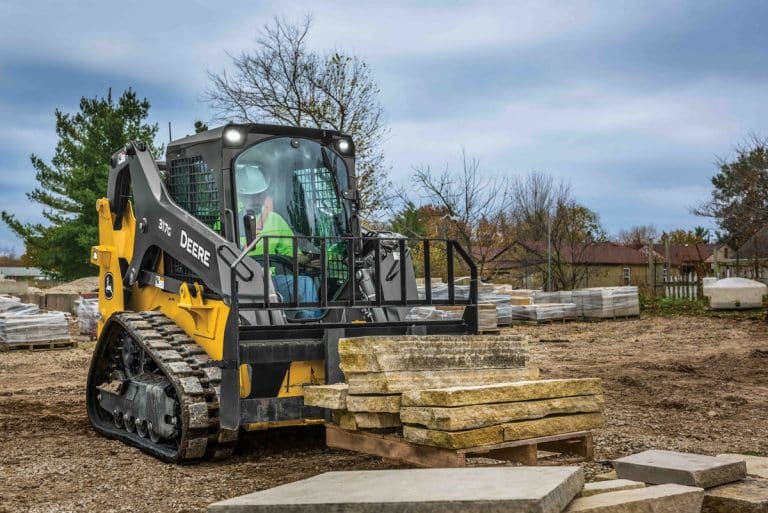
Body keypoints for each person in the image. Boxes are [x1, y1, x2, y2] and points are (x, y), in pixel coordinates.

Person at [235, 163, 294, 257]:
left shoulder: (276, 220)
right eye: (250, 196)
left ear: (265, 194)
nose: (255, 200)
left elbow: (292, 253)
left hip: (270, 272)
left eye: (259, 195)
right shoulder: (228, 220)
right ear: (241, 196)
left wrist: (307, 261)